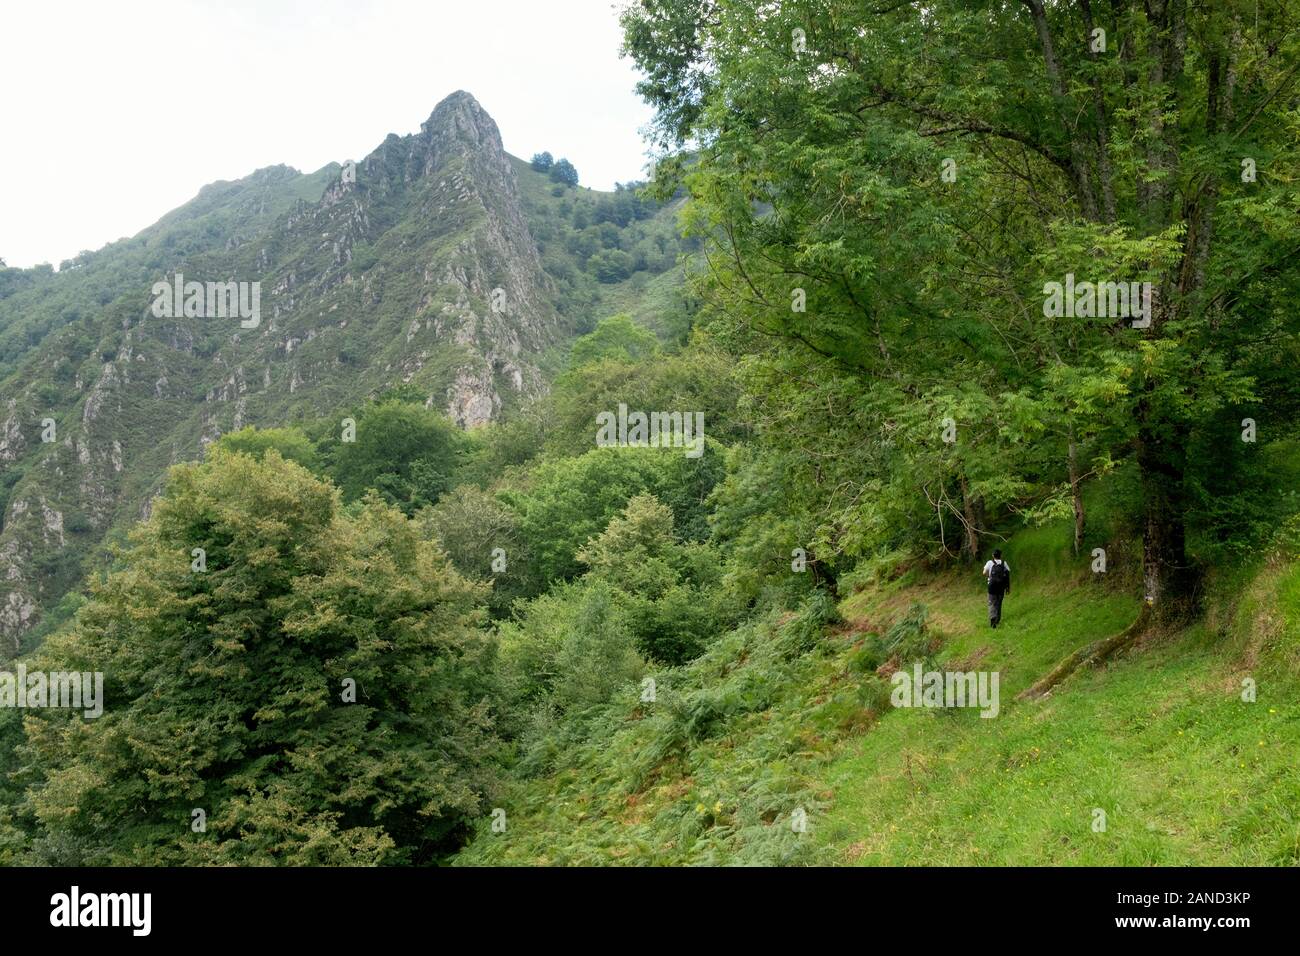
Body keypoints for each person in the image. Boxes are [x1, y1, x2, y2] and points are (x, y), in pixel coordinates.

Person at [982, 549, 1011, 628]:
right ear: (1000, 555)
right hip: (1001, 586)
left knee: (992, 602)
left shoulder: (989, 562)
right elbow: (1008, 573)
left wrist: (989, 576)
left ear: (993, 555)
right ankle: (997, 620)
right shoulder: (1004, 563)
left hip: (992, 586)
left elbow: (984, 572)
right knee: (999, 603)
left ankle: (993, 618)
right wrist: (1007, 587)